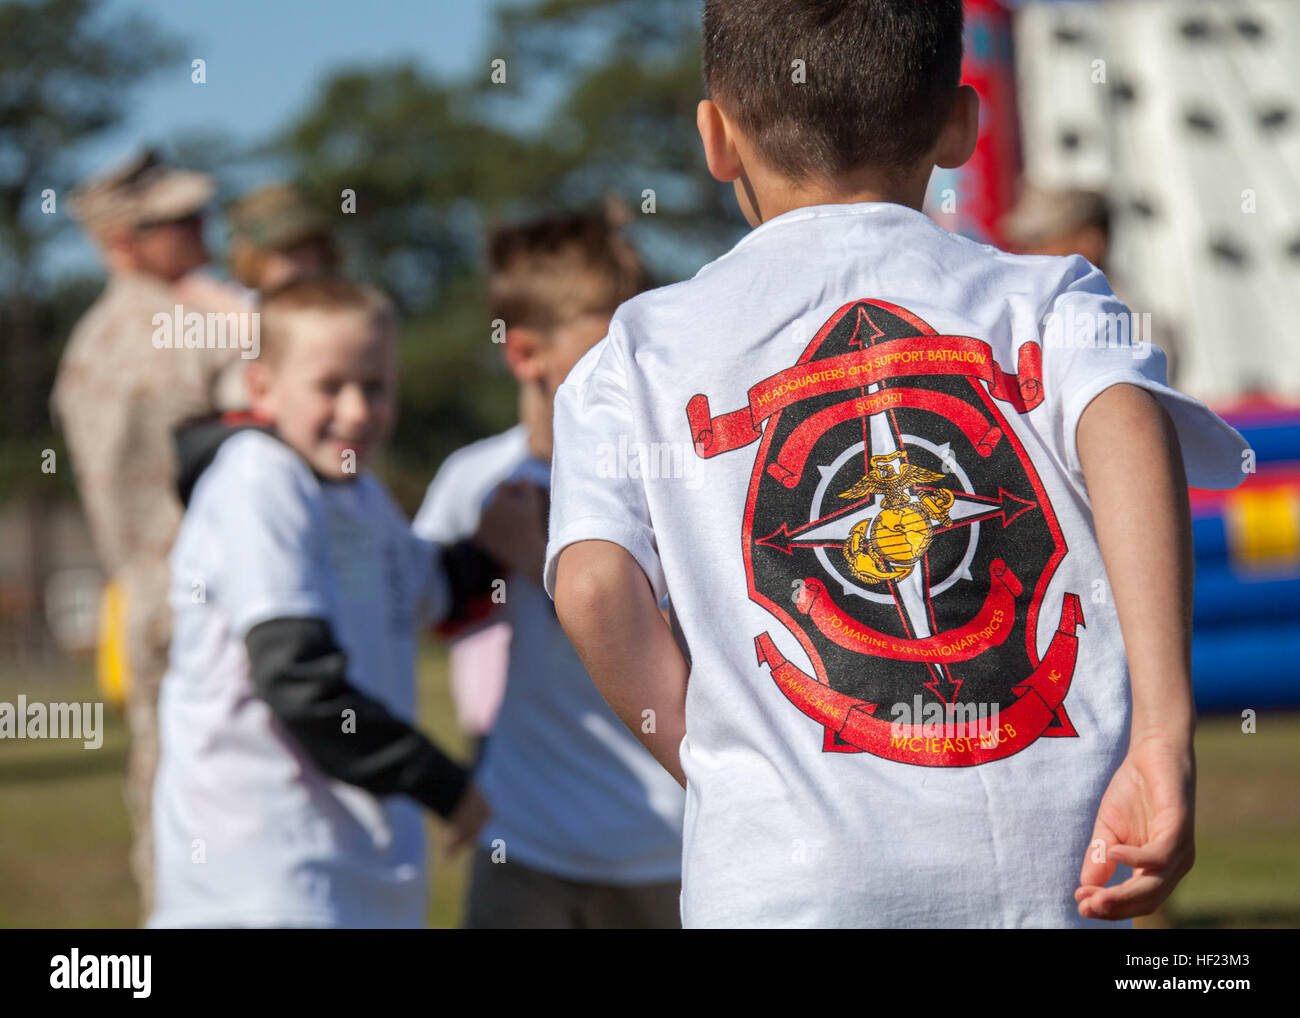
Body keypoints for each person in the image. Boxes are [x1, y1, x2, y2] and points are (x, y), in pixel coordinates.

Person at [544, 0, 1249, 929]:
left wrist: (718, 757)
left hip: (784, 884)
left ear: (715, 135)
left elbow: (594, 586)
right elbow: (1125, 426)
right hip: (1060, 872)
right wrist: (1161, 734)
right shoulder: (1053, 297)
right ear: (960, 123)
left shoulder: (636, 353)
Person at [148, 277, 541, 928]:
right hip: (261, 879)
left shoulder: (362, 497)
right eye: (330, 386)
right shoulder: (256, 480)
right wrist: (447, 787)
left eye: (376, 385)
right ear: (262, 389)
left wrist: (495, 545)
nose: (358, 411)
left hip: (356, 877)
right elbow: (300, 683)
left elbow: (434, 596)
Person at [414, 210, 686, 928]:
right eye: (605, 347)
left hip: (671, 845)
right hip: (526, 843)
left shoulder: (671, 471)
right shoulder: (473, 480)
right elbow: (416, 618)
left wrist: (542, 555)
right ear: (525, 354)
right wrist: (476, 557)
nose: (631, 363)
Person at [50, 148, 246, 920]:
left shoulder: (90, 341)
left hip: (146, 594)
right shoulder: (197, 324)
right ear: (122, 241)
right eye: (177, 222)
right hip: (219, 597)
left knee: (167, 806)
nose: (202, 230)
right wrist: (245, 314)